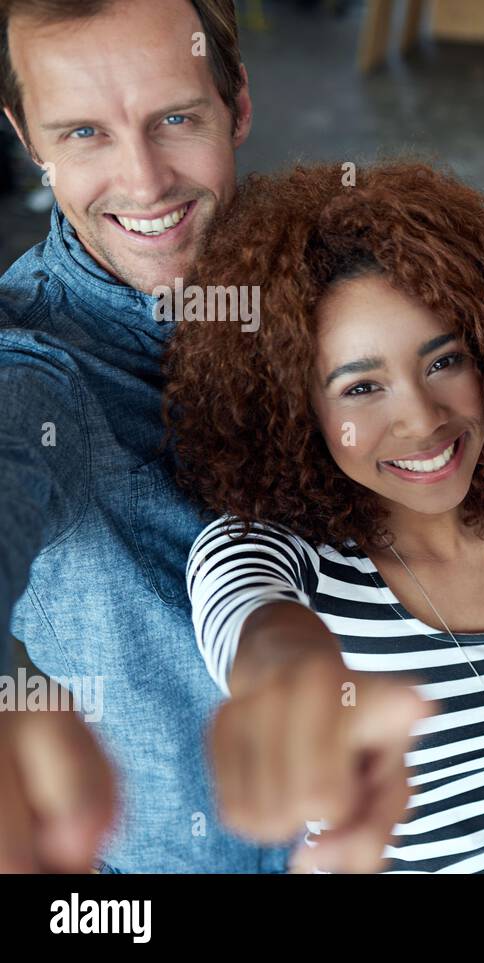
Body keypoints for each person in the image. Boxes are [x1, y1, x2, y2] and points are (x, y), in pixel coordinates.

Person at [165, 161, 484, 873]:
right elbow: (250, 610)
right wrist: (289, 673)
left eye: (442, 360)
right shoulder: (285, 551)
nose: (422, 420)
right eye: (362, 386)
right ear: (298, 409)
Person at [0, 0, 286, 872]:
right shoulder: (29, 364)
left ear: (237, 99)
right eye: (83, 132)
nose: (146, 181)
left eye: (174, 118)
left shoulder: (330, 266)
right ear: (27, 139)